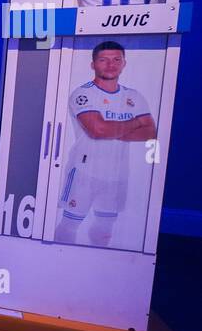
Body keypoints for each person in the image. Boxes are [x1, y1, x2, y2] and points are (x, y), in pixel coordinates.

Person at [54, 40, 156, 247]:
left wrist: (114, 130)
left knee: (104, 229)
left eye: (116, 60)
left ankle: (93, 266)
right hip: (84, 172)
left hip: (117, 176)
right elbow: (98, 130)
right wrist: (135, 122)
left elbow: (151, 132)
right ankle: (61, 263)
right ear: (93, 64)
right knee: (69, 225)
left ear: (124, 63)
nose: (111, 65)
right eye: (104, 60)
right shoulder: (83, 94)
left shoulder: (133, 97)